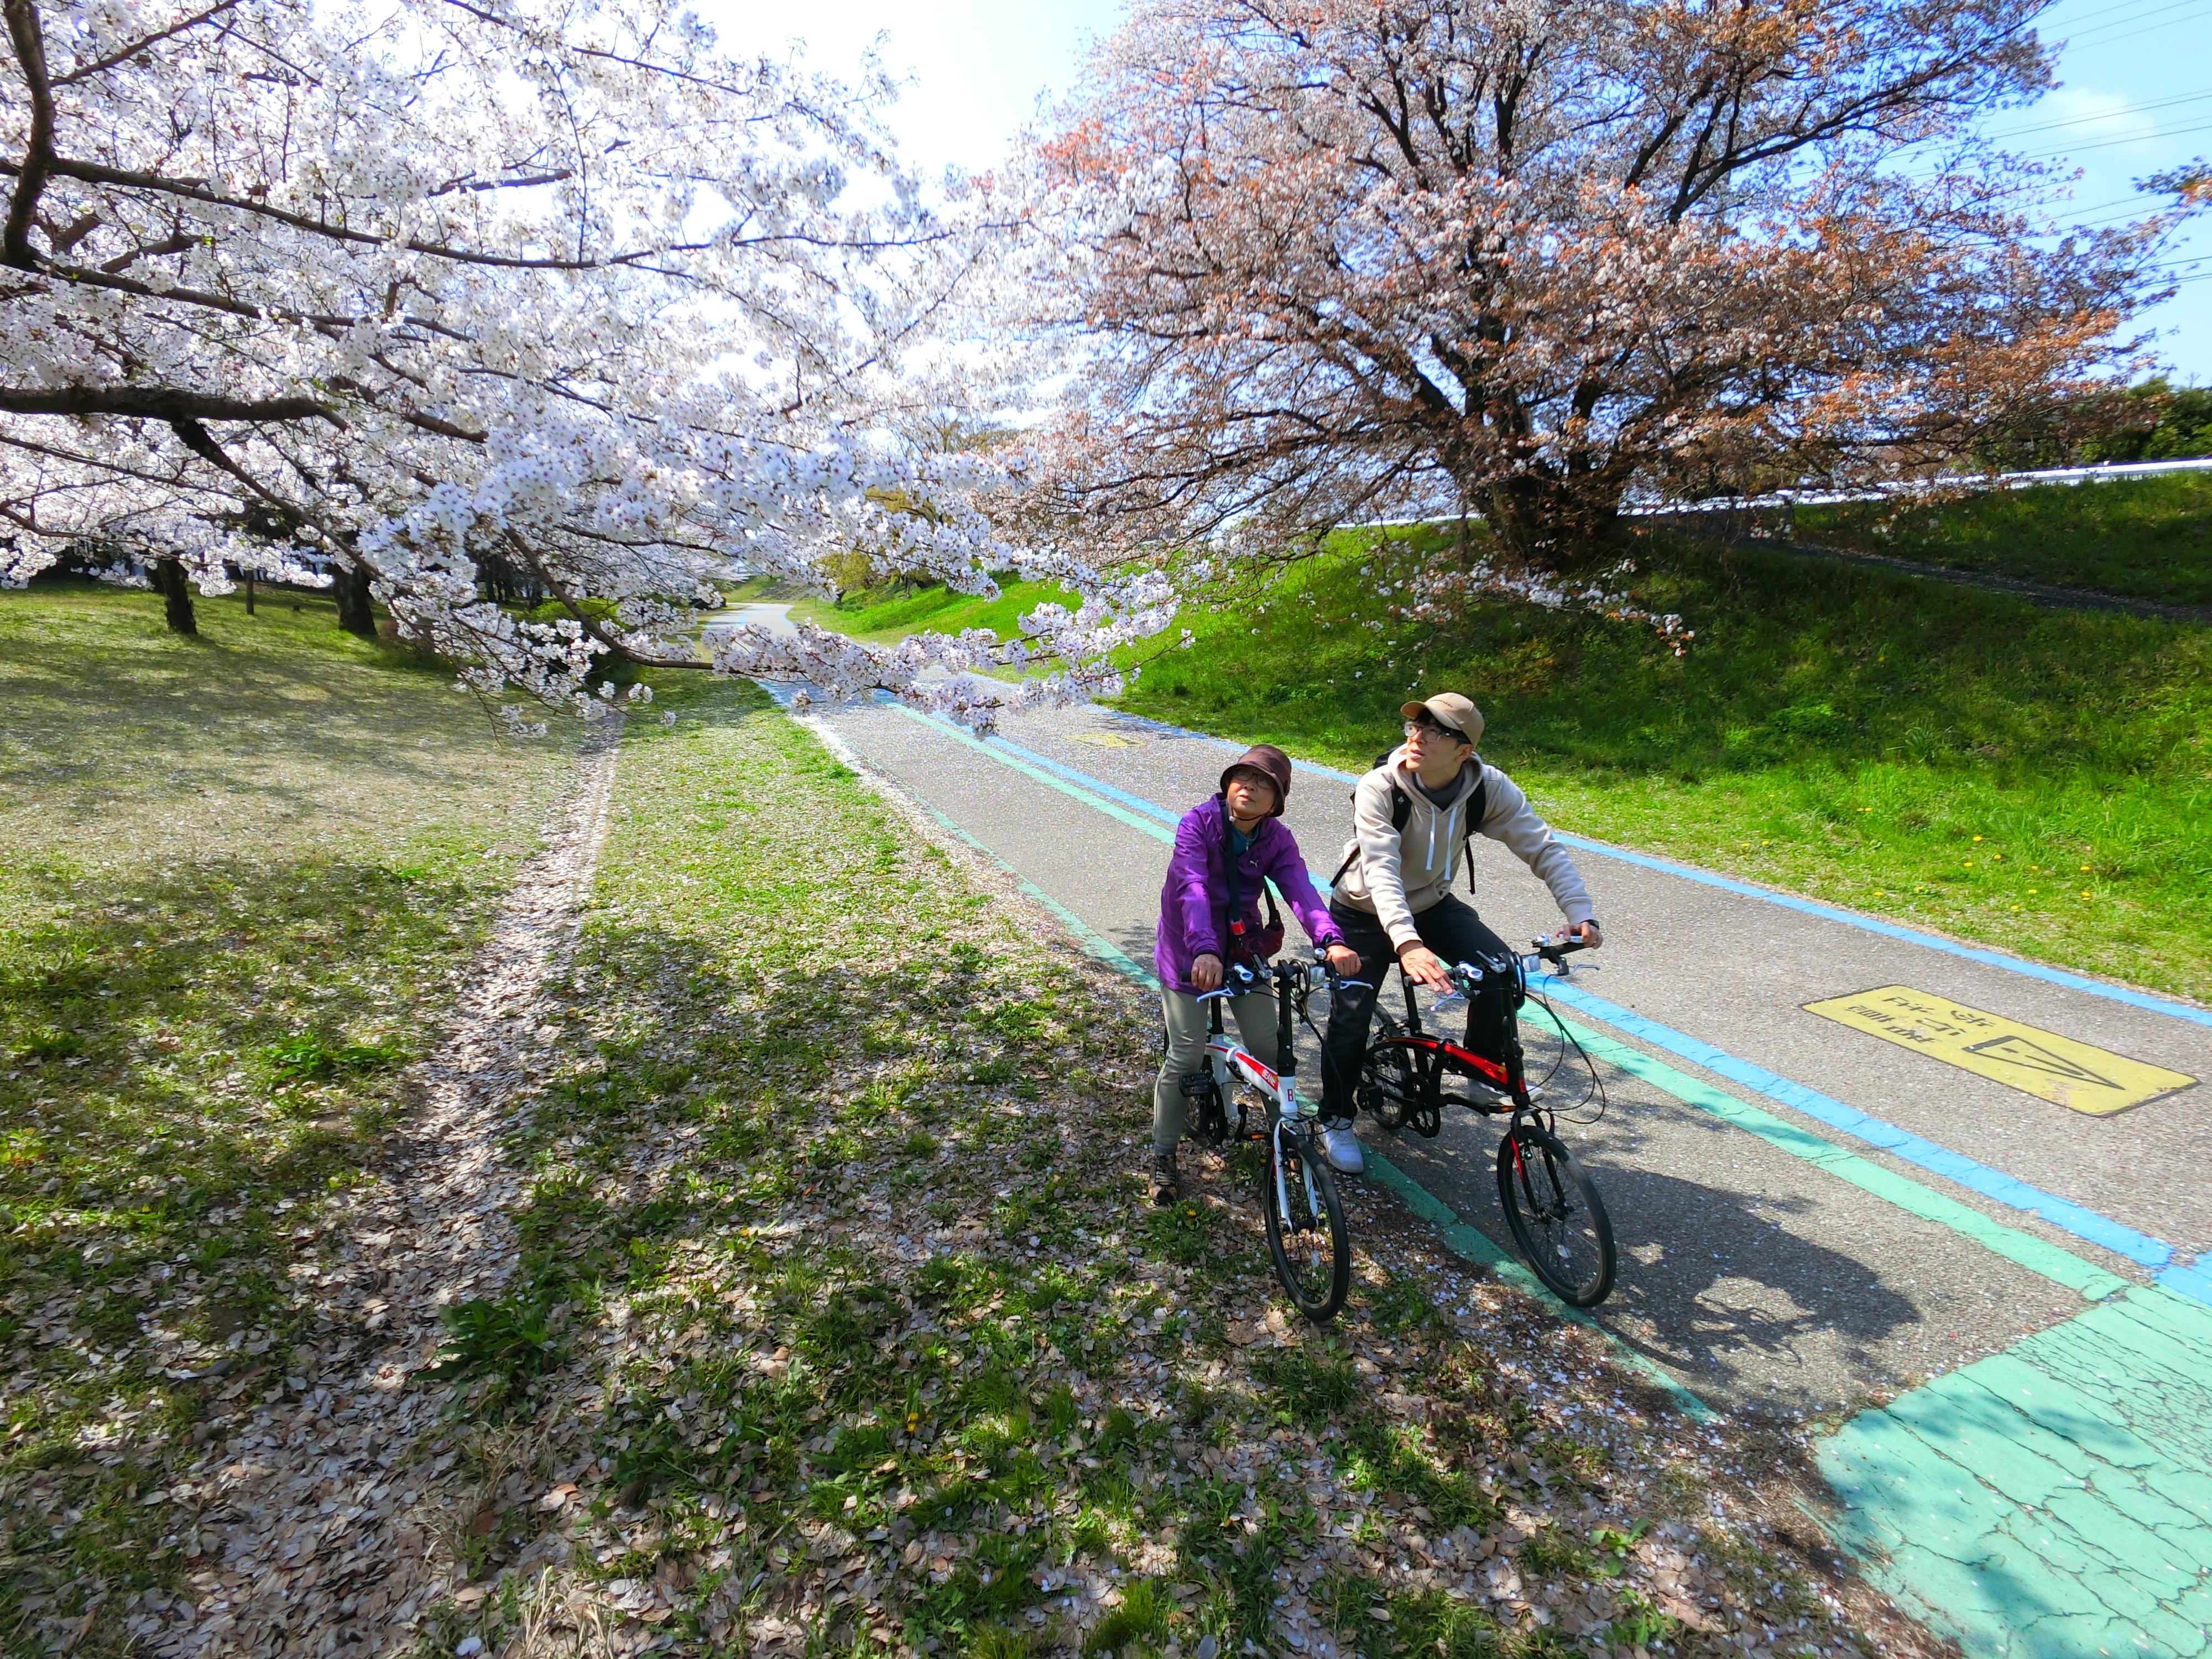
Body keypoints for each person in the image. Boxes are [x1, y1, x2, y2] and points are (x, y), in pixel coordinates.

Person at [1316, 693, 1601, 1174]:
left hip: (1430, 902)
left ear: (1463, 751)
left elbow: (1542, 847)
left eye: (1435, 731)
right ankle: (1336, 1118)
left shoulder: (1487, 789)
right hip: (1363, 911)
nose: (1417, 737)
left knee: (1502, 971)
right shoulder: (1381, 786)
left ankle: (1477, 1063)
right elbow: (1382, 870)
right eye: (1414, 726)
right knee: (1352, 1014)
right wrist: (1407, 945)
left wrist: (1580, 912)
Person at [1153, 744, 1362, 1204]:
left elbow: (1300, 890)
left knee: (1271, 1050)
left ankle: (1284, 1142)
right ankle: (1163, 1155)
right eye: (1243, 777)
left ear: (1277, 801)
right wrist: (1205, 950)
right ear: (1228, 784)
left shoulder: (1276, 839)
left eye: (1263, 783)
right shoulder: (1198, 823)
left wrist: (1332, 940)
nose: (1249, 786)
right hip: (1189, 946)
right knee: (1186, 1055)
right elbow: (1191, 887)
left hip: (1240, 945)